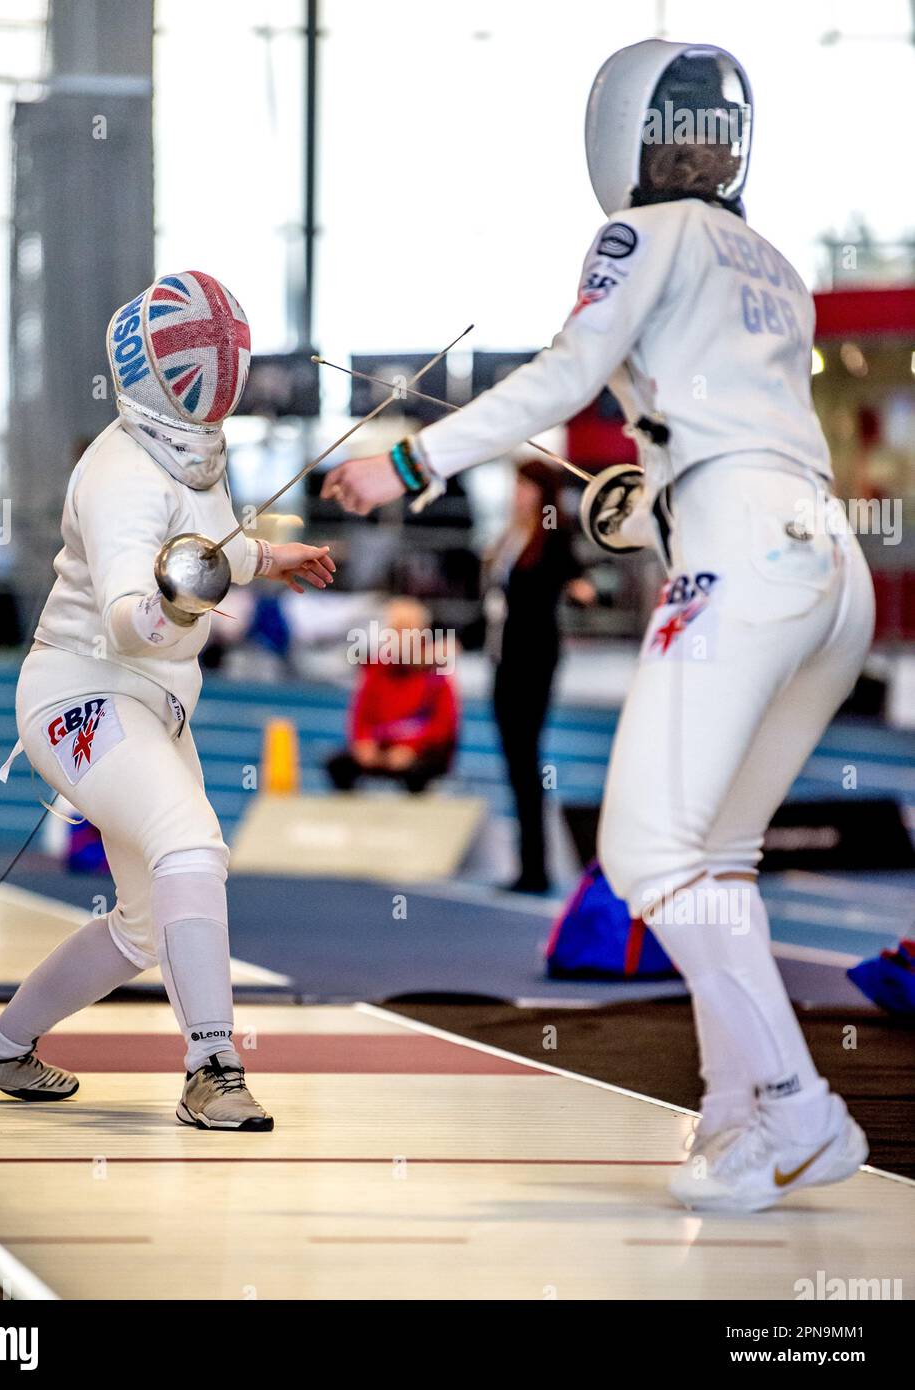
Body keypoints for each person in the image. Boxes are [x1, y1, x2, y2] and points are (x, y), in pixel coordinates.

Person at [320, 41, 874, 1212]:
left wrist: (409, 458)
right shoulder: (772, 262)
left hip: (744, 551)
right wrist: (655, 501)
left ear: (620, 135)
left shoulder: (640, 233)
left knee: (642, 851)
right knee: (713, 856)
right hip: (824, 564)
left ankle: (796, 1103)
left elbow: (568, 371)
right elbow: (726, 423)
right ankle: (737, 1120)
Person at [0, 271, 335, 1130]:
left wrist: (268, 559)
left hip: (147, 704)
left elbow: (202, 546)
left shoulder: (191, 452)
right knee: (191, 843)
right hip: (82, 693)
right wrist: (171, 608)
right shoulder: (120, 473)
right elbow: (129, 615)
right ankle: (213, 1067)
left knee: (148, 925)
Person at [487, 458, 595, 893]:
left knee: (526, 761)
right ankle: (528, 863)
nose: (519, 494)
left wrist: (579, 589)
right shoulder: (513, 536)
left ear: (543, 492)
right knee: (515, 763)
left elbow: (576, 579)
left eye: (527, 487)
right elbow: (498, 602)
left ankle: (536, 867)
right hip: (502, 658)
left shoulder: (553, 534)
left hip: (533, 661)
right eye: (516, 486)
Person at [326, 596, 458, 793]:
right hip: (383, 748)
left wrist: (411, 747)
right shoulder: (376, 670)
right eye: (395, 629)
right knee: (338, 765)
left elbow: (443, 727)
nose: (400, 637)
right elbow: (361, 716)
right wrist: (363, 742)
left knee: (418, 772)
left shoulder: (437, 674)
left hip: (419, 753)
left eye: (406, 630)